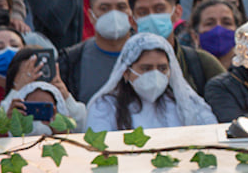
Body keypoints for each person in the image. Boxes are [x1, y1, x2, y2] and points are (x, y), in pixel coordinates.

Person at [85, 31, 217, 131]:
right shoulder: (105, 106)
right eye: (146, 68)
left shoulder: (185, 103)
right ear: (126, 72)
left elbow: (209, 133)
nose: (155, 74)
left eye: (162, 68)